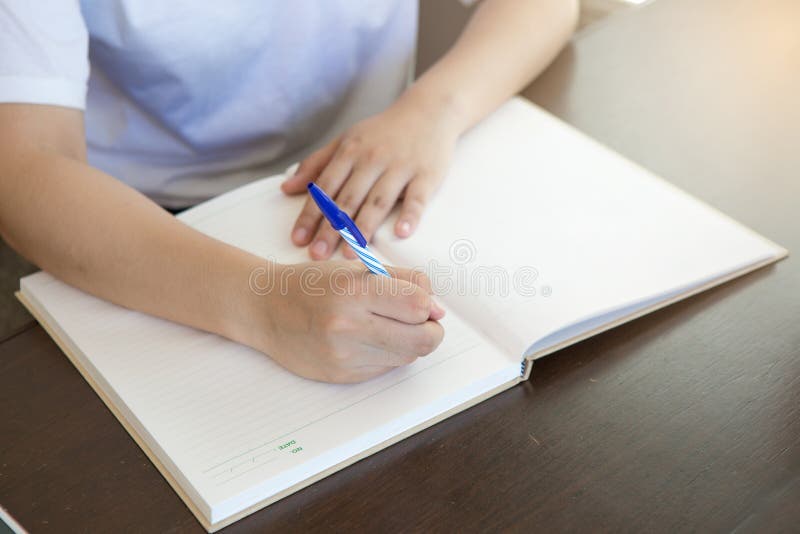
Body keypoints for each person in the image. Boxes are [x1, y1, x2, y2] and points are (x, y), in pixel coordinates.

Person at [0, 0, 577, 383]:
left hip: (381, 153)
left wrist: (434, 108)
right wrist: (262, 306)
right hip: (137, 216)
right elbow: (23, 166)